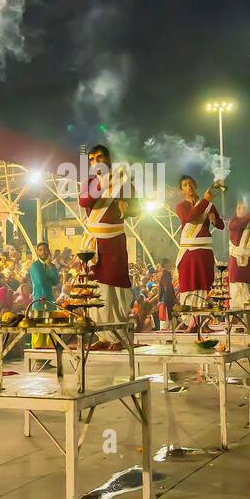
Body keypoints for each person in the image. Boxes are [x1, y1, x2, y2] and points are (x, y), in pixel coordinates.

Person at [78, 144, 139, 349]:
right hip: (93, 244)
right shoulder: (90, 183)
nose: (95, 162)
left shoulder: (124, 183)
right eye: (92, 159)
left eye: (99, 158)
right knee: (95, 290)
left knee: (115, 290)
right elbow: (84, 200)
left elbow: (137, 209)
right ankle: (103, 336)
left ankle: (119, 337)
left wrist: (127, 209)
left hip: (114, 242)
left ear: (108, 160)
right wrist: (103, 183)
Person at [174, 175, 225, 323]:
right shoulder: (181, 206)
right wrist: (205, 201)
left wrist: (214, 220)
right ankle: (190, 322)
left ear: (195, 185)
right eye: (185, 185)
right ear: (182, 190)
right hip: (188, 252)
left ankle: (203, 322)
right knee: (189, 285)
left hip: (205, 251)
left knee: (205, 285)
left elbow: (221, 225)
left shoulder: (208, 205)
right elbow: (189, 218)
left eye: (191, 183)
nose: (189, 187)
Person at [227, 201, 250, 310]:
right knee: (237, 290)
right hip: (237, 262)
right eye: (239, 207)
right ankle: (237, 314)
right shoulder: (234, 221)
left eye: (243, 208)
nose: (240, 210)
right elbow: (241, 224)